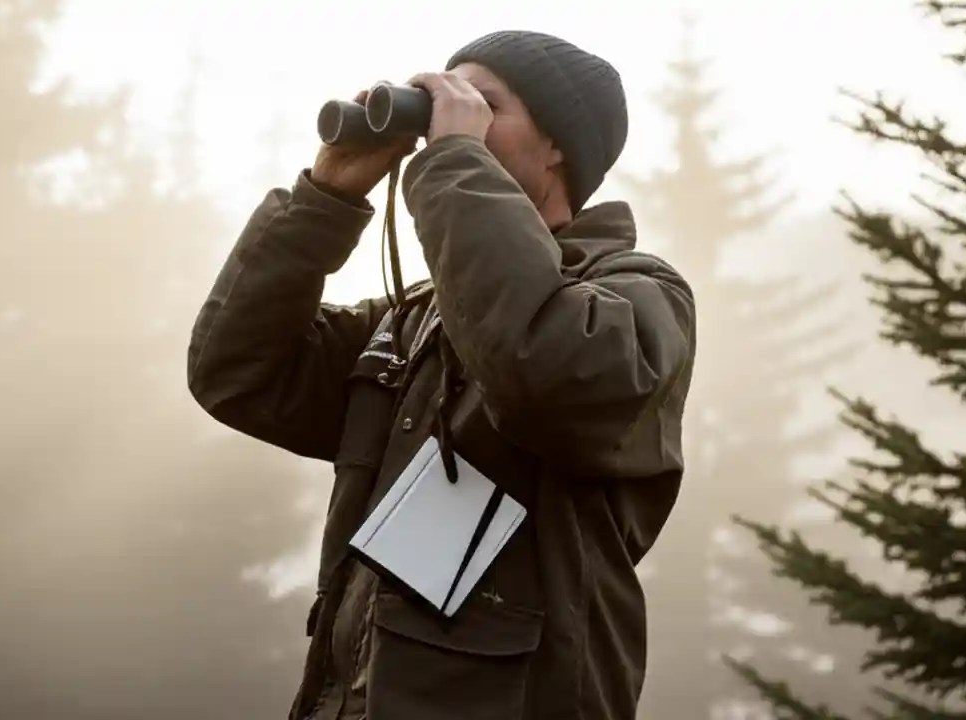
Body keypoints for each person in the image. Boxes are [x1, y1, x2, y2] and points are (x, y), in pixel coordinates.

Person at [187, 29, 696, 720]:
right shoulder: (412, 320)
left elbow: (539, 369)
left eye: (484, 106)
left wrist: (457, 160)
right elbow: (238, 371)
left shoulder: (637, 297)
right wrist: (324, 201)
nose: (449, 124)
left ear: (558, 147)